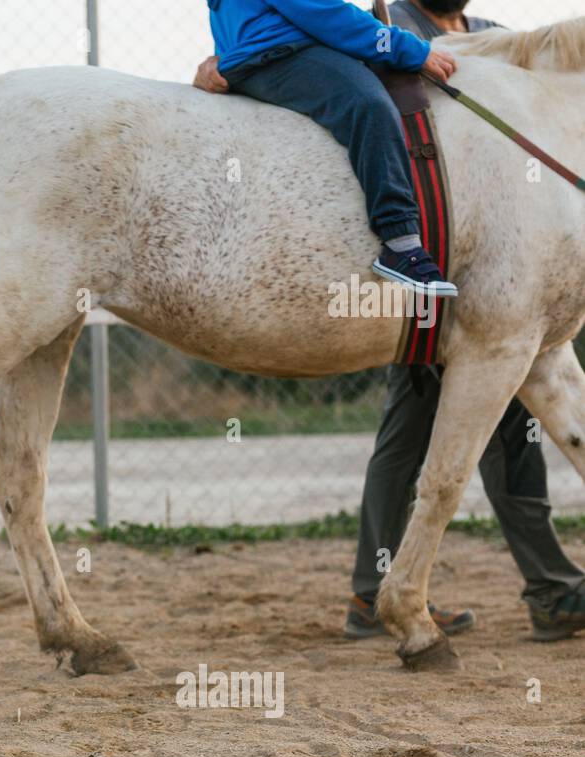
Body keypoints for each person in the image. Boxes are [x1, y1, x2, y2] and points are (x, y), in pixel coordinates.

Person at [197, 1, 585, 643]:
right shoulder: (395, 16)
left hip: (486, 288)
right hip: (442, 285)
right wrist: (406, 49)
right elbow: (334, 27)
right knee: (414, 437)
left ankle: (546, 587)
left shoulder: (487, 35)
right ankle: (382, 589)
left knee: (515, 437)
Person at [205, 0, 460, 297]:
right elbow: (326, 14)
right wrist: (410, 49)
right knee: (369, 106)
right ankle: (400, 243)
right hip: (279, 53)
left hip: (261, 52)